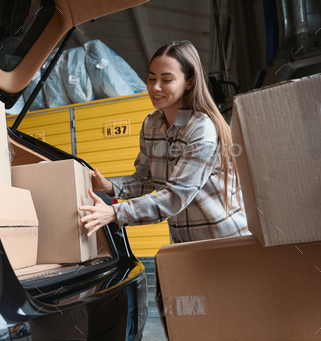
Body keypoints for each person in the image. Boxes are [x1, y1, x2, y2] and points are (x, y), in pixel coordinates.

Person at [79, 40, 250, 243]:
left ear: (189, 82)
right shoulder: (151, 124)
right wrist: (109, 185)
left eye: (167, 80)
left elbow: (176, 196)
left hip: (224, 240)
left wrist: (115, 212)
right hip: (185, 242)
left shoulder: (202, 129)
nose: (155, 87)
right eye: (151, 79)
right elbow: (146, 179)